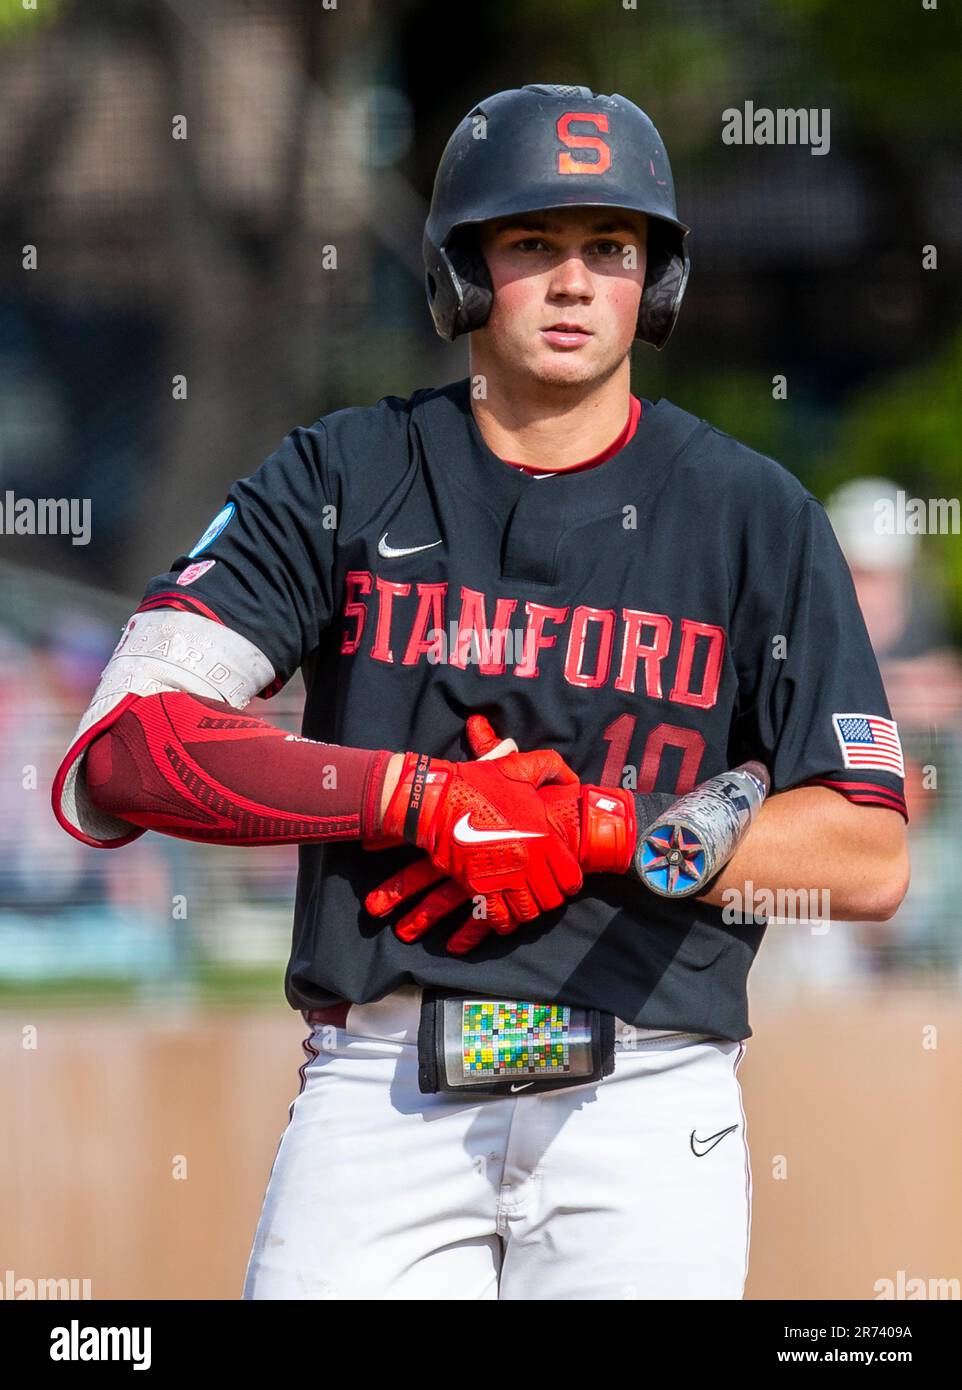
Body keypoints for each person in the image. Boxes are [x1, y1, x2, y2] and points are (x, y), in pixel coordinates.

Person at [52, 85, 909, 1300]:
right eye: (531, 245)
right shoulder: (341, 473)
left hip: (648, 1098)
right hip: (382, 1087)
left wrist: (603, 826)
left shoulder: (751, 515)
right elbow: (124, 751)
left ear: (653, 282)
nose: (573, 283)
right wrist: (415, 797)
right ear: (462, 271)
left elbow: (866, 852)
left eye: (610, 249)